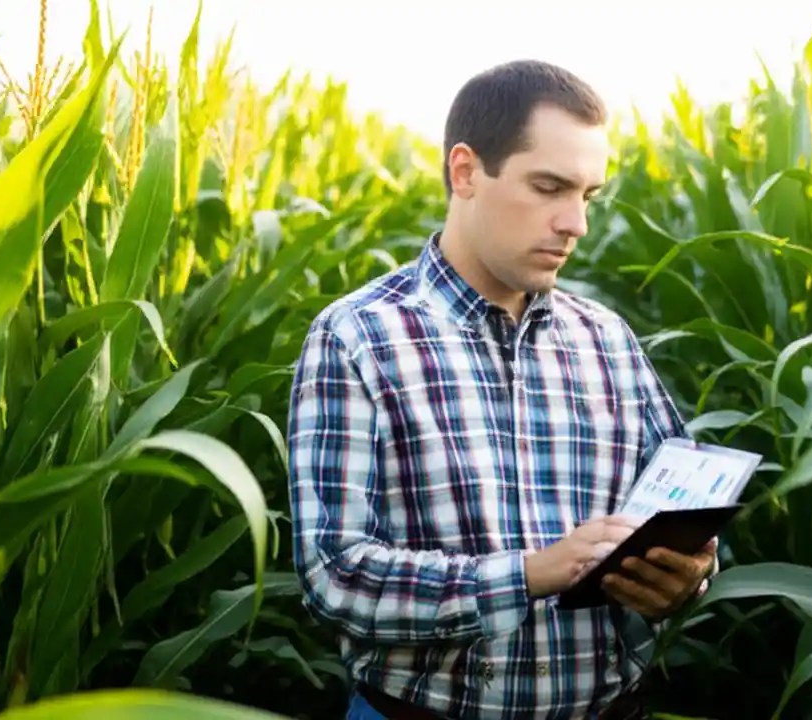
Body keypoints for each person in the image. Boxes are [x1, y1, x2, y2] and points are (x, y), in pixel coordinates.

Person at [286, 59, 719, 720]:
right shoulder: (359, 338)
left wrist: (688, 576)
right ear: (465, 172)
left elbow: (683, 514)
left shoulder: (608, 342)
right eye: (548, 187)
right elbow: (335, 577)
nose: (575, 222)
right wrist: (529, 574)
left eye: (587, 195)